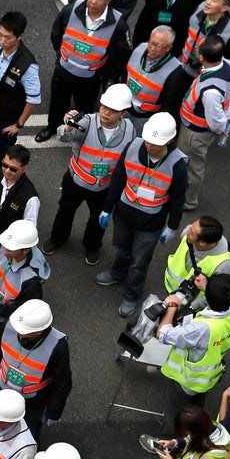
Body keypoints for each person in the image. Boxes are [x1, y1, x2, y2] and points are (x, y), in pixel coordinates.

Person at [96, 112, 188, 318]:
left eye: (156, 143)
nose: (150, 145)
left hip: (151, 222)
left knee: (139, 261)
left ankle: (132, 294)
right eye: (148, 140)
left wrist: (172, 225)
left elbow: (177, 199)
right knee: (121, 248)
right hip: (124, 214)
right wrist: (107, 208)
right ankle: (118, 274)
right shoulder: (132, 147)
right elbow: (119, 178)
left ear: (170, 140)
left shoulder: (177, 164)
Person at [45, 83, 136, 263]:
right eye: (104, 107)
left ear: (123, 113)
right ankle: (57, 238)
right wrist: (69, 127)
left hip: (105, 187)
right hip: (76, 181)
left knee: (98, 220)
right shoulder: (86, 121)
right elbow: (63, 136)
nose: (106, 113)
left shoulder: (130, 130)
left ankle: (92, 246)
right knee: (65, 211)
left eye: (112, 110)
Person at [36, 0, 132, 144]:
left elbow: (122, 53)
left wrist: (110, 76)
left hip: (91, 77)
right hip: (64, 70)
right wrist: (61, 55)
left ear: (108, 1)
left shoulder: (118, 23)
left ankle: (83, 133)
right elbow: (56, 33)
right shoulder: (71, 9)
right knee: (58, 101)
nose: (93, 2)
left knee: (85, 108)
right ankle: (52, 127)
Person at [156, 272, 230, 428]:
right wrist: (210, 289)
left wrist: (172, 306)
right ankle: (194, 431)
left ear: (209, 299)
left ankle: (171, 443)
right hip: (209, 376)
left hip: (186, 379)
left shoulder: (202, 329)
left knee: (176, 414)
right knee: (196, 406)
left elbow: (163, 334)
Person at [0, 299, 72, 439]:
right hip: (3, 389)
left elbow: (63, 382)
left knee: (28, 432)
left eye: (24, 331)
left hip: (33, 403)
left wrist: (54, 411)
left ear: (39, 331)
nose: (18, 333)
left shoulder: (58, 346)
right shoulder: (10, 326)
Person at [179, 36, 230, 211]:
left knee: (192, 167)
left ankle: (188, 201)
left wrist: (221, 130)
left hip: (195, 133)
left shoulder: (211, 91)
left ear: (202, 57)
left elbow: (216, 120)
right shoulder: (228, 65)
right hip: (197, 129)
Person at [0, 220, 50, 343]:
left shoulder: (31, 282)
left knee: (0, 342)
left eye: (10, 248)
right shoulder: (6, 248)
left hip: (6, 321)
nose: (5, 250)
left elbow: (24, 311)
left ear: (25, 250)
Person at [0, 11, 40, 154]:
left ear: (20, 37)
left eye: (7, 37)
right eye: (0, 35)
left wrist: (18, 125)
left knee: (0, 154)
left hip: (5, 122)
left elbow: (33, 99)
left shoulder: (28, 66)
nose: (2, 41)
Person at [0, 144, 39, 271]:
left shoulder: (30, 198)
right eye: (4, 165)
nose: (6, 171)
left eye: (13, 169)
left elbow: (28, 230)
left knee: (4, 269)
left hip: (11, 243)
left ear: (24, 169)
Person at [178, 0, 230, 77]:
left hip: (206, 76)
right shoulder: (199, 8)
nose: (208, 2)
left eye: (215, 0)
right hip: (185, 66)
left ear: (224, 8)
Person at [125, 26, 183, 134]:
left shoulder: (175, 70)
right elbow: (125, 74)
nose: (152, 48)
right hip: (125, 107)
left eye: (158, 46)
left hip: (145, 117)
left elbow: (170, 103)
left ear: (168, 48)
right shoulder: (140, 48)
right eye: (151, 43)